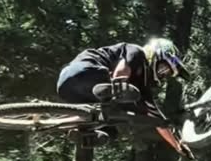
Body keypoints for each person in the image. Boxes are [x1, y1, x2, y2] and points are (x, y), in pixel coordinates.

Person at [56, 37, 191, 153]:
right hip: (84, 71)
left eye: (166, 74)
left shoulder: (142, 86)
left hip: (68, 89)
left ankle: (60, 126)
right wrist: (119, 84)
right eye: (163, 68)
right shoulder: (137, 52)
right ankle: (112, 92)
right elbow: (123, 67)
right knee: (124, 94)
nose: (162, 74)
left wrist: (177, 146)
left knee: (108, 127)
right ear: (155, 54)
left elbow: (158, 121)